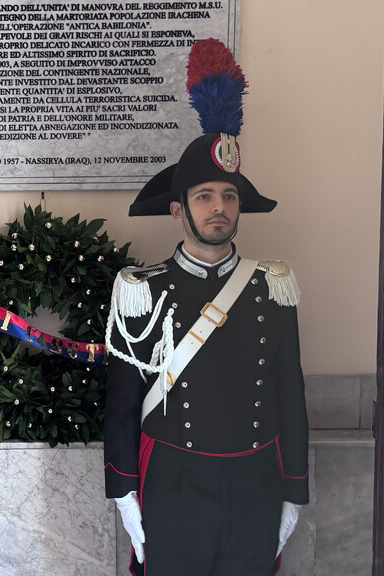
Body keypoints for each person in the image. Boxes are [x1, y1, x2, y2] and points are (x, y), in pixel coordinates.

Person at [104, 39, 309, 575]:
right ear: (178, 210)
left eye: (229, 196)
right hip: (173, 485)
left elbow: (290, 395)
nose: (219, 208)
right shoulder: (140, 290)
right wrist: (123, 491)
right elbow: (123, 403)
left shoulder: (272, 288)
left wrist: (295, 490)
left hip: (256, 484)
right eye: (204, 196)